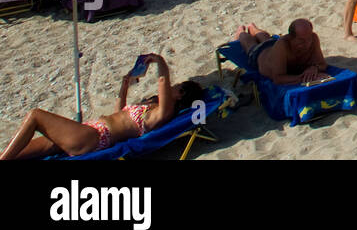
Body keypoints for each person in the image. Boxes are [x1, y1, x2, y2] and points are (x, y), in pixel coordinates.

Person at [2, 53, 203, 159]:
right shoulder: (151, 108)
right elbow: (119, 116)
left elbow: (162, 82)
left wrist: (160, 61)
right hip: (88, 131)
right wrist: (124, 88)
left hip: (92, 138)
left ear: (180, 94)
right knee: (25, 151)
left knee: (36, 116)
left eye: (177, 86)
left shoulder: (164, 112)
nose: (173, 85)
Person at [235, 20, 330, 85]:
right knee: (249, 43)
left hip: (272, 47)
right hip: (260, 56)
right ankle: (240, 31)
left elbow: (322, 64)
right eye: (301, 40)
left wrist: (314, 68)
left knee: (266, 38)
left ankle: (252, 27)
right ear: (291, 38)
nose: (307, 43)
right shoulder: (283, 45)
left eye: (308, 38)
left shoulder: (313, 38)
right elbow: (278, 78)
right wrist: (302, 77)